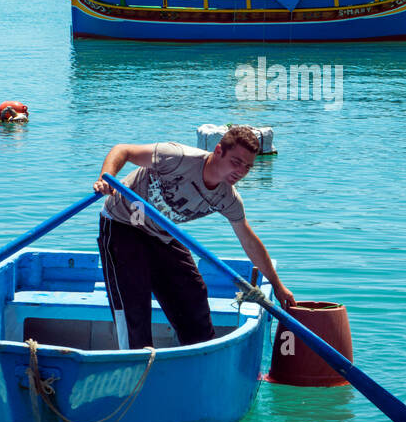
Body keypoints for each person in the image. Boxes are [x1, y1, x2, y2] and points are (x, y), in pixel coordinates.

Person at [93, 126, 294, 349]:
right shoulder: (177, 157)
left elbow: (249, 240)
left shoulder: (227, 198)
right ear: (218, 151)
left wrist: (277, 285)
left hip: (162, 232)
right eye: (236, 162)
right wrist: (106, 177)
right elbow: (124, 150)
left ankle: (201, 354)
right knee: (133, 299)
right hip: (122, 224)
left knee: (193, 291)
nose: (241, 171)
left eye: (247, 166)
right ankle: (136, 363)